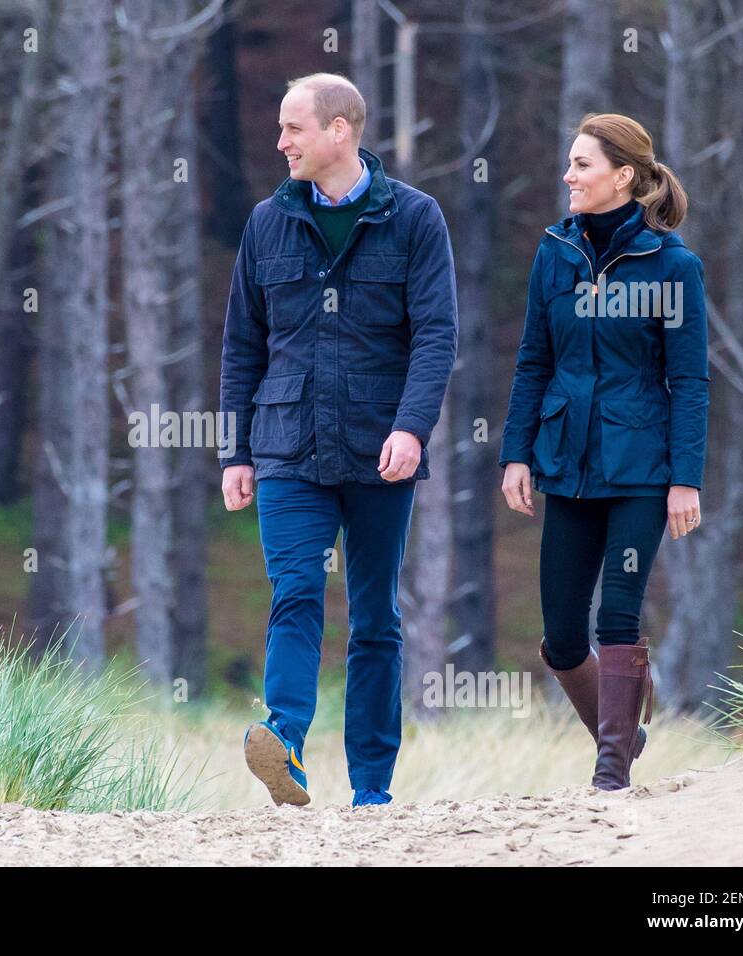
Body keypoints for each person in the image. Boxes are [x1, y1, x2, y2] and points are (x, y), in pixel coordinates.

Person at [218, 72, 458, 808]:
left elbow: (437, 337)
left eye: (294, 128)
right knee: (295, 592)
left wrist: (413, 428)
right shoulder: (267, 222)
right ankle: (284, 741)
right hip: (286, 444)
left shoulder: (415, 219)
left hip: (380, 449)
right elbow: (240, 346)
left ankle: (372, 788)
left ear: (340, 130)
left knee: (377, 616)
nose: (281, 141)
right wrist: (235, 451)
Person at [499, 113, 709, 790]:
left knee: (618, 610)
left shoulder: (672, 265)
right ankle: (625, 731)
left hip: (641, 468)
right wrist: (516, 454)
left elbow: (689, 379)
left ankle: (611, 770)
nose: (569, 176)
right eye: (569, 163)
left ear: (623, 175)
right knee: (561, 634)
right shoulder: (553, 254)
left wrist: (686, 479)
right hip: (567, 462)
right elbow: (533, 361)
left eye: (582, 165)